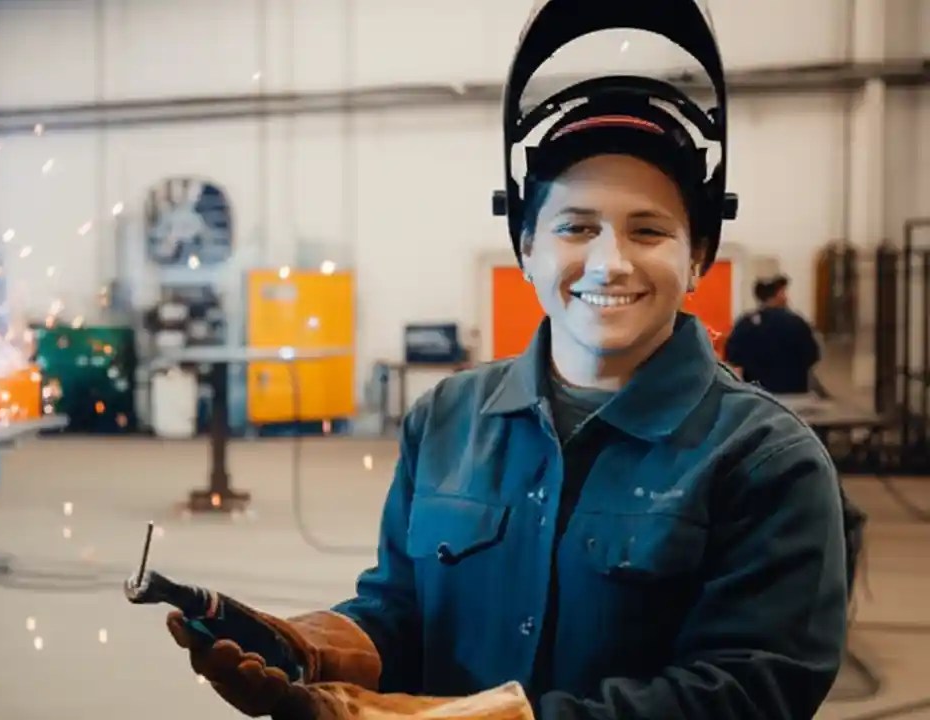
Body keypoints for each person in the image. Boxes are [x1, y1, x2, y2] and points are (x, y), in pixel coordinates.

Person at [164, 2, 851, 718]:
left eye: (648, 231)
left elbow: (744, 694)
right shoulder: (447, 420)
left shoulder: (768, 461)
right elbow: (401, 608)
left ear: (699, 255)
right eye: (576, 227)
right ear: (527, 248)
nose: (610, 263)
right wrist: (319, 649)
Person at [725, 274, 822, 394]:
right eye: (783, 292)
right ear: (778, 295)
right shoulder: (796, 322)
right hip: (793, 391)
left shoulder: (745, 323)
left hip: (758, 394)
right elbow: (813, 355)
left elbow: (732, 356)